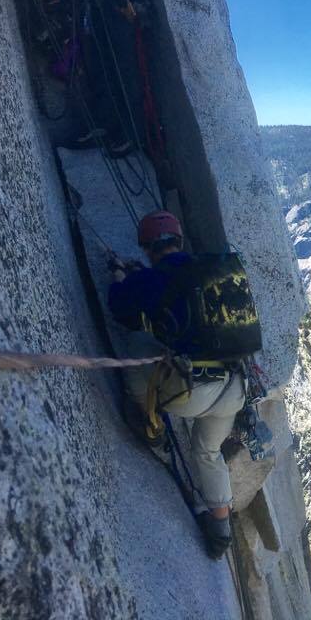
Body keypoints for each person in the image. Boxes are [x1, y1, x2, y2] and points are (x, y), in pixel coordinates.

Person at [108, 210, 244, 559]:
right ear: (180, 241)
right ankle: (221, 530)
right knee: (207, 451)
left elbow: (119, 309)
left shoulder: (153, 279)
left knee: (137, 347)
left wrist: (122, 277)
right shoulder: (209, 271)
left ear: (148, 249)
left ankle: (151, 426)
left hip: (190, 394)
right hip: (234, 390)